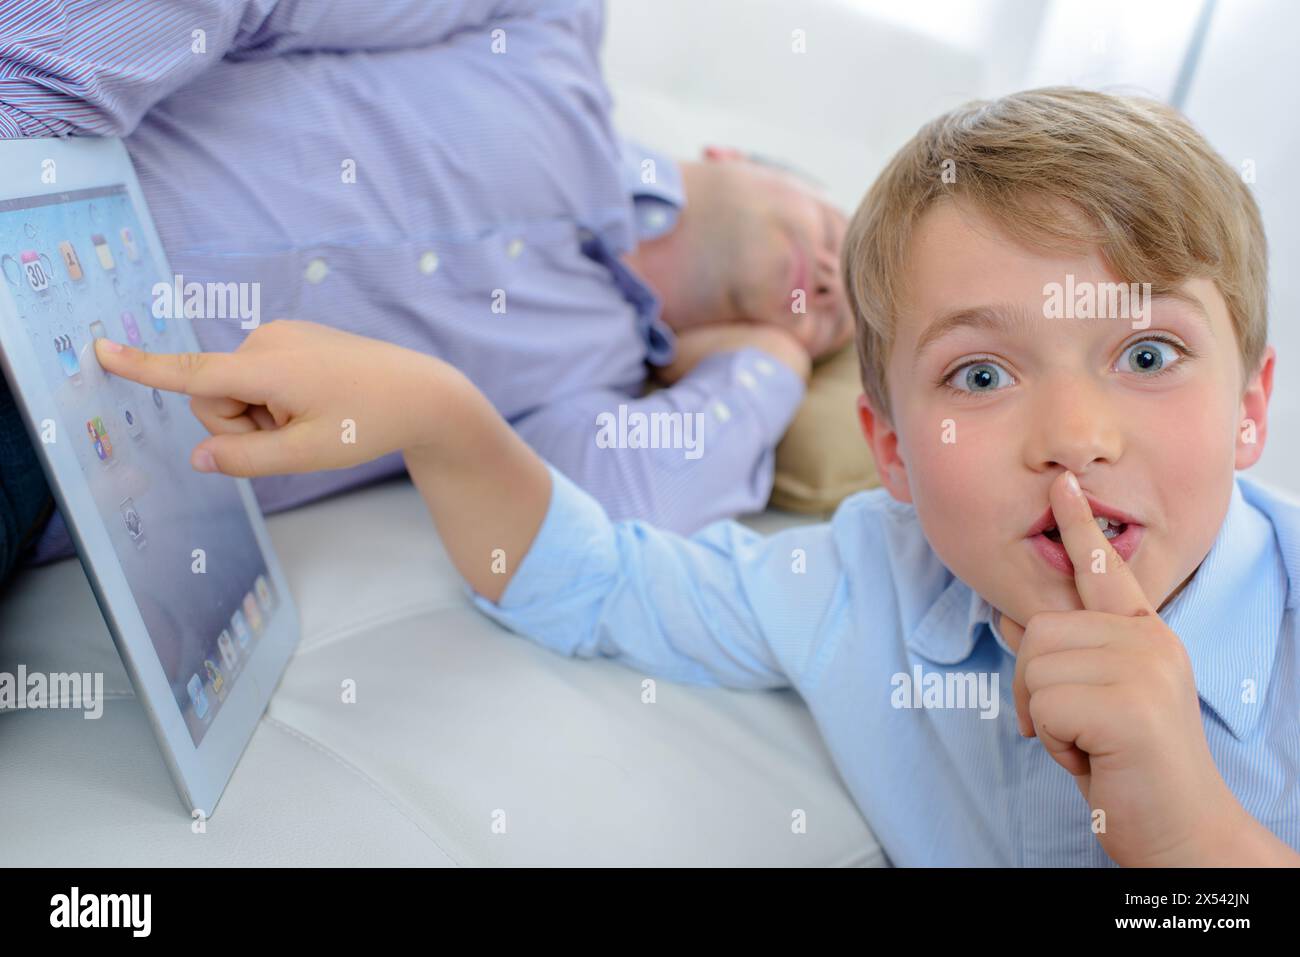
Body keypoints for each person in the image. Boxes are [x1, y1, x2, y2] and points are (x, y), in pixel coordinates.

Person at [87, 87, 1300, 865]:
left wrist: (1193, 838)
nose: (1073, 435)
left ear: (1251, 406)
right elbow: (587, 581)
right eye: (980, 377)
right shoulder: (860, 579)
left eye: (1146, 354)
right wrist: (437, 414)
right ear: (887, 452)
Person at [0, 0, 851, 588]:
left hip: (48, 450)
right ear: (736, 155)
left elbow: (617, 521)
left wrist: (770, 359)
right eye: (836, 237)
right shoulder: (547, 25)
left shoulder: (586, 390)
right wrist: (25, 121)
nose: (828, 281)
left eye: (840, 318)